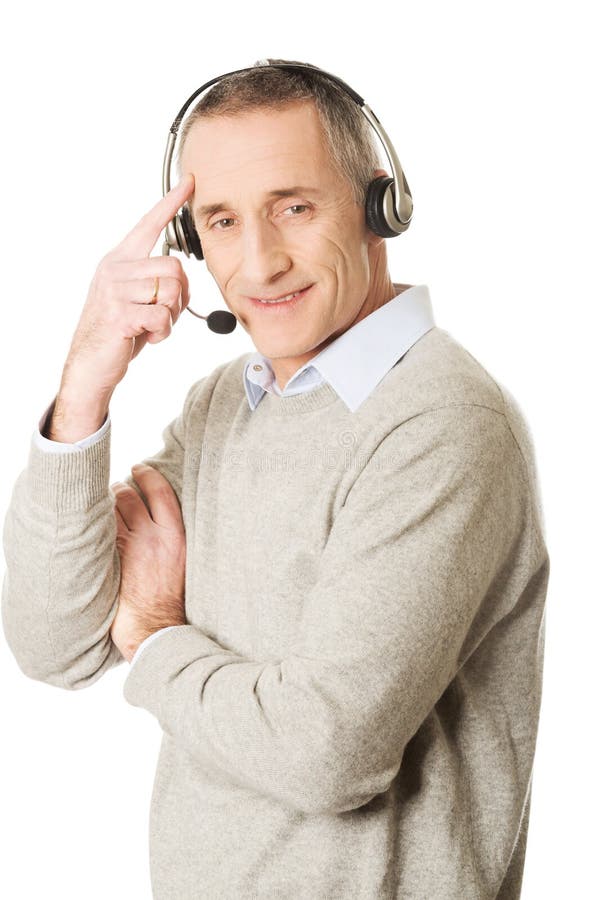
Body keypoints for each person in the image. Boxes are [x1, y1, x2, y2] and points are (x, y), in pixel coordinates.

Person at [1, 59, 549, 899]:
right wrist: (83, 391)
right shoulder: (229, 403)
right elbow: (55, 645)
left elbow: (327, 754)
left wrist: (152, 636)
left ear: (378, 204)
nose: (258, 264)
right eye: (220, 221)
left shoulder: (439, 423)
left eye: (293, 207)